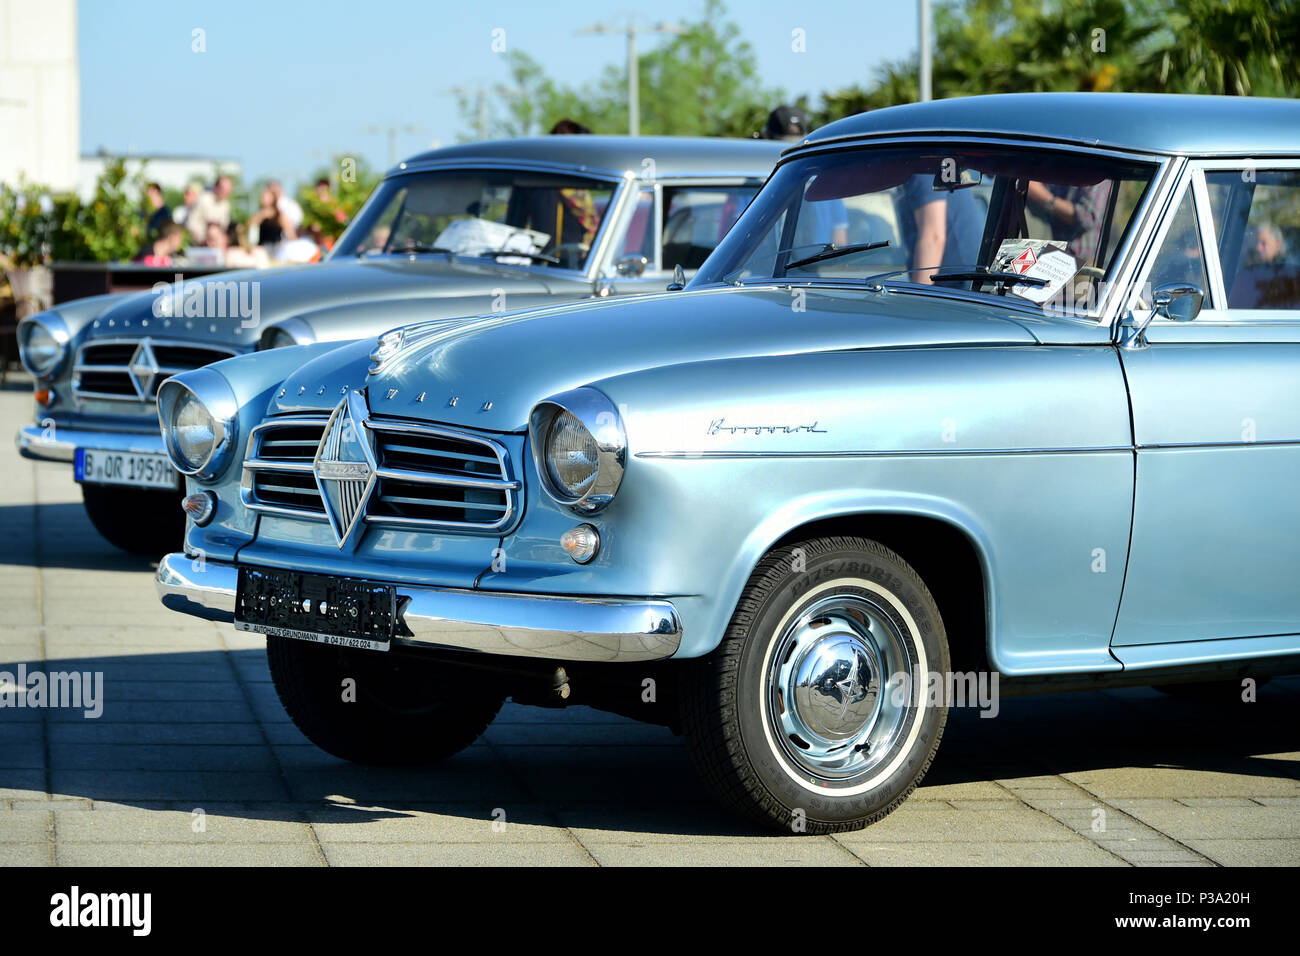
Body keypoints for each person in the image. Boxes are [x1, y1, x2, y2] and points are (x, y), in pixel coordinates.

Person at [761, 105, 848, 248]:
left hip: (760, 268)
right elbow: (840, 242)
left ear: (767, 137)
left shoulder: (753, 186)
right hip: (816, 267)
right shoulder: (827, 184)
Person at [897, 171, 983, 283]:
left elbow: (933, 238)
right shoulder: (923, 165)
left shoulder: (924, 168)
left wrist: (917, 297)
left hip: (957, 288)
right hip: (950, 283)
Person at [1026, 180, 1114, 266]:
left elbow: (1087, 218)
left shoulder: (1098, 176)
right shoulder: (1059, 169)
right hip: (1052, 258)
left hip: (1082, 265)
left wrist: (1043, 197)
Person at [186, 175, 233, 244]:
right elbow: (192, 223)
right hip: (200, 241)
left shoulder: (226, 205)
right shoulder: (203, 199)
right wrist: (205, 236)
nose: (225, 192)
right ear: (216, 187)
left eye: (228, 190)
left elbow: (224, 227)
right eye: (223, 189)